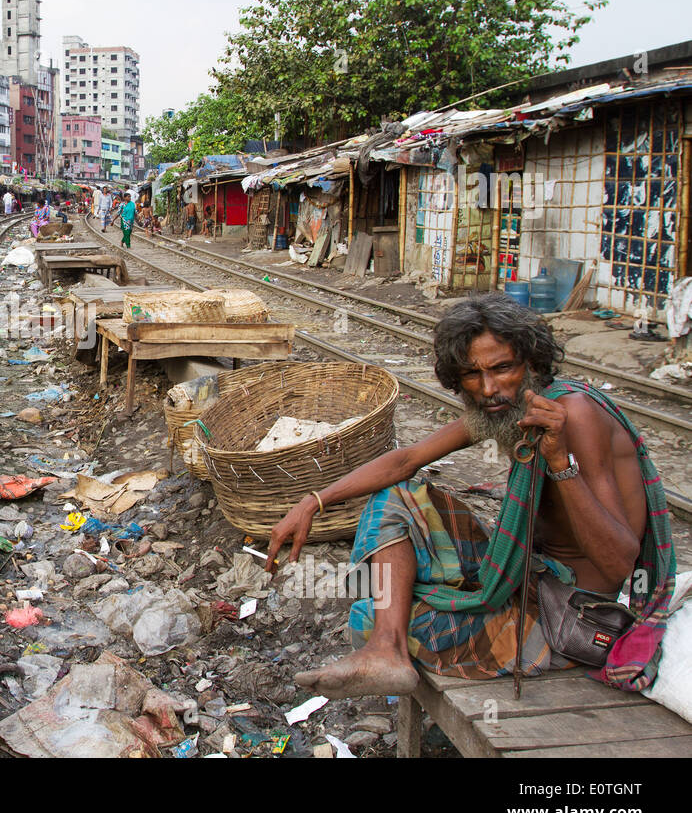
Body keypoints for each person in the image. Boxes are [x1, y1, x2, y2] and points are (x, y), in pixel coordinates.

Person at [265, 294, 677, 699]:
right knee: (395, 499)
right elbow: (406, 460)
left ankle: (388, 643)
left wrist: (558, 463)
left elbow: (618, 563)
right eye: (471, 375)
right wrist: (313, 501)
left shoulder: (575, 416)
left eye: (503, 369)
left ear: (531, 363)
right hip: (531, 579)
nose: (489, 387)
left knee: (374, 612)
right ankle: (385, 651)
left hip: (571, 616)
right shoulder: (508, 407)